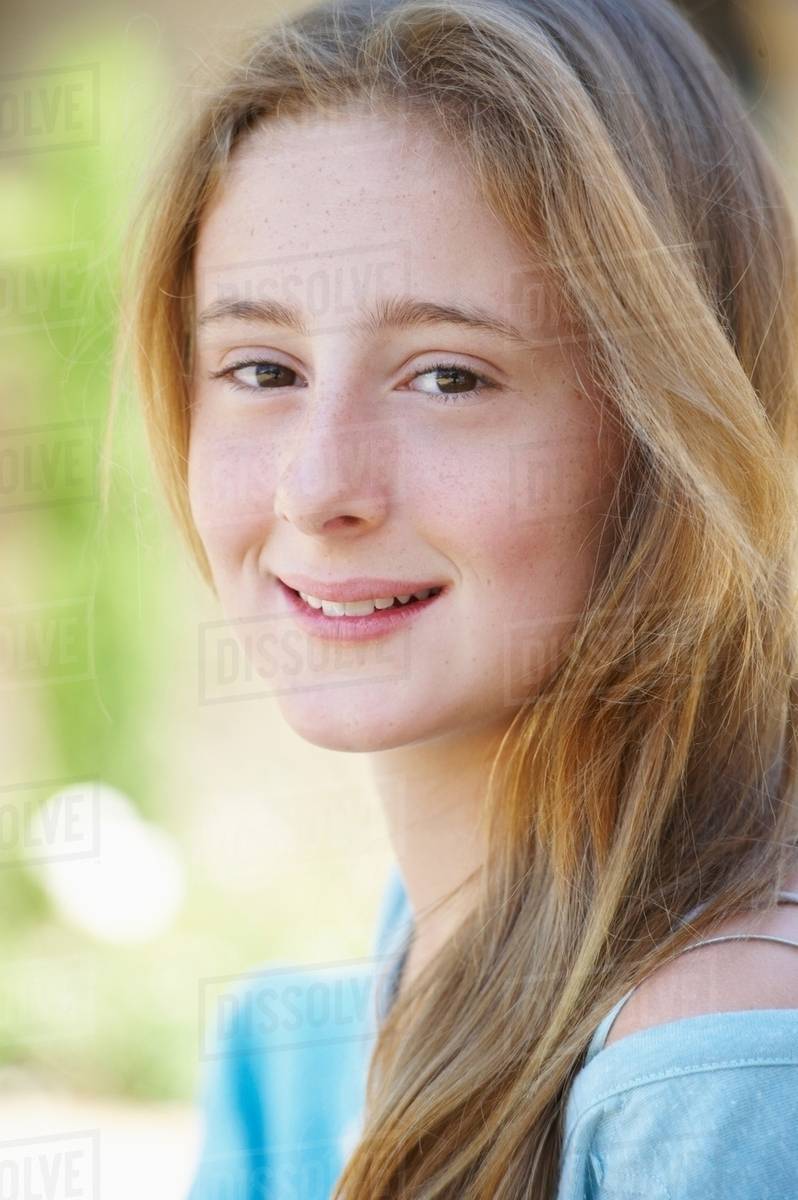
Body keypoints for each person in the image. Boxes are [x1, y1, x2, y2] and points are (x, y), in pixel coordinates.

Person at [115, 0, 798, 1194]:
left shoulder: (714, 1066)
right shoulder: (429, 939)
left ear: (666, 433)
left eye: (448, 378)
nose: (317, 487)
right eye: (262, 369)